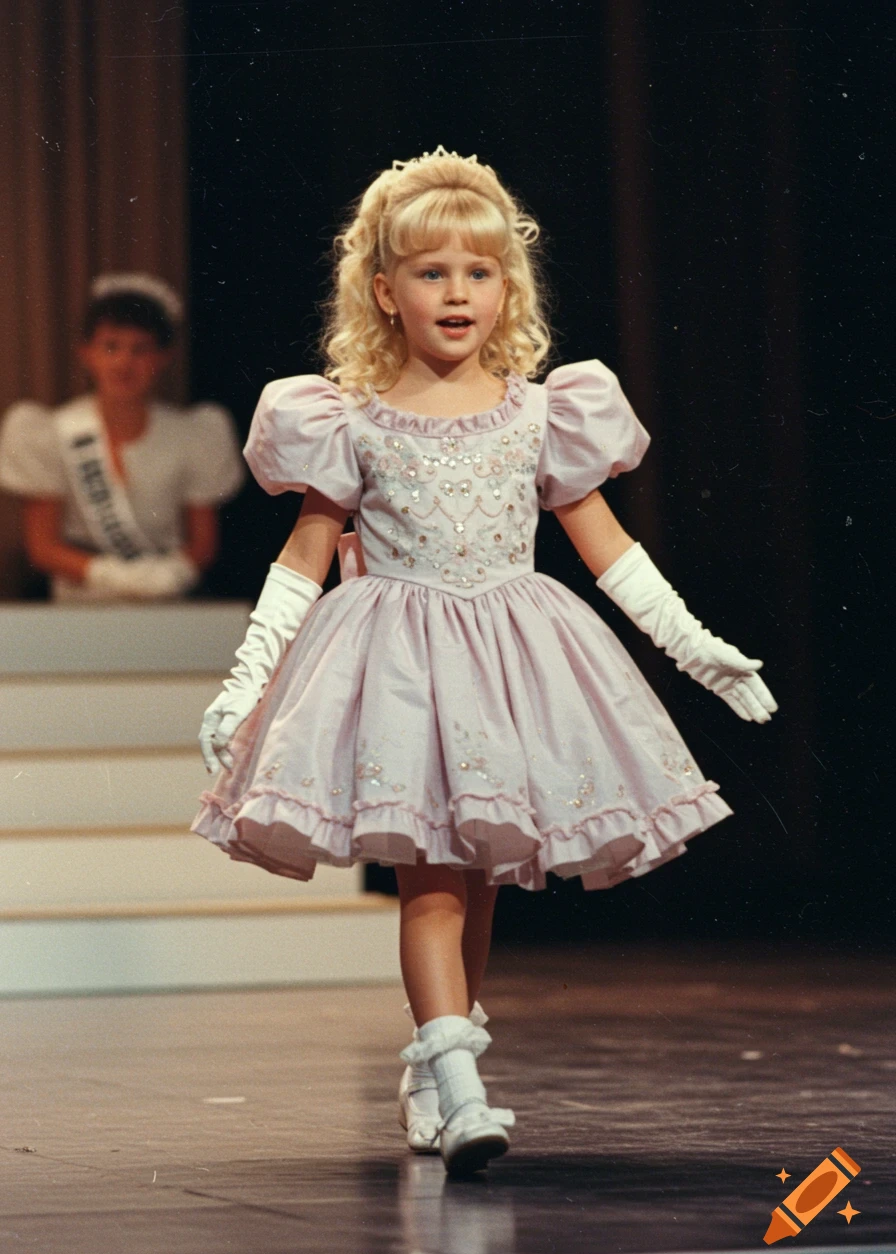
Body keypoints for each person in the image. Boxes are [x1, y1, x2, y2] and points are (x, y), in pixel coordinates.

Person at [191, 146, 778, 1176]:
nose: (456, 290)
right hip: (402, 672)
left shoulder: (539, 411)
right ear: (384, 291)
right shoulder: (348, 419)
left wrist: (694, 649)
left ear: (507, 286)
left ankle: (434, 1066)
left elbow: (608, 550)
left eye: (478, 270)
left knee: (480, 878)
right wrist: (245, 682)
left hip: (511, 669)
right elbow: (302, 559)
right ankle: (458, 1082)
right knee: (431, 881)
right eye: (430, 271)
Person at [0, 274, 244, 600]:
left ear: (163, 356)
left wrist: (168, 575)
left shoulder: (193, 433)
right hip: (78, 603)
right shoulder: (52, 431)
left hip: (166, 600)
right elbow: (42, 546)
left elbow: (203, 544)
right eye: (111, 346)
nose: (124, 362)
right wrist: (113, 576)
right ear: (86, 352)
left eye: (140, 349)